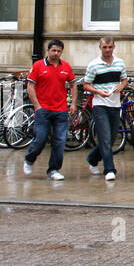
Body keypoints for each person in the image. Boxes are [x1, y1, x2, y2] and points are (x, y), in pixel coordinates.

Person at [23, 39, 77, 181]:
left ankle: (53, 169)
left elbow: (73, 85)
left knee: (59, 141)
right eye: (53, 50)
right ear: (48, 51)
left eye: (58, 51)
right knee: (40, 139)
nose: (56, 53)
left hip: (60, 110)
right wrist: (37, 106)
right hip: (43, 109)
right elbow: (30, 85)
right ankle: (30, 158)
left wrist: (73, 103)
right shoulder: (38, 65)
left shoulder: (66, 66)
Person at [83, 35, 127, 181]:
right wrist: (98, 92)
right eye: (104, 47)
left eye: (110, 47)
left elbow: (124, 79)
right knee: (105, 137)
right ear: (100, 48)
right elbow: (86, 84)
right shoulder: (93, 65)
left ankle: (92, 158)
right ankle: (110, 169)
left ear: (114, 47)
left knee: (111, 138)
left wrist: (121, 86)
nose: (107, 50)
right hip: (100, 104)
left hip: (115, 104)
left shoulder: (120, 63)